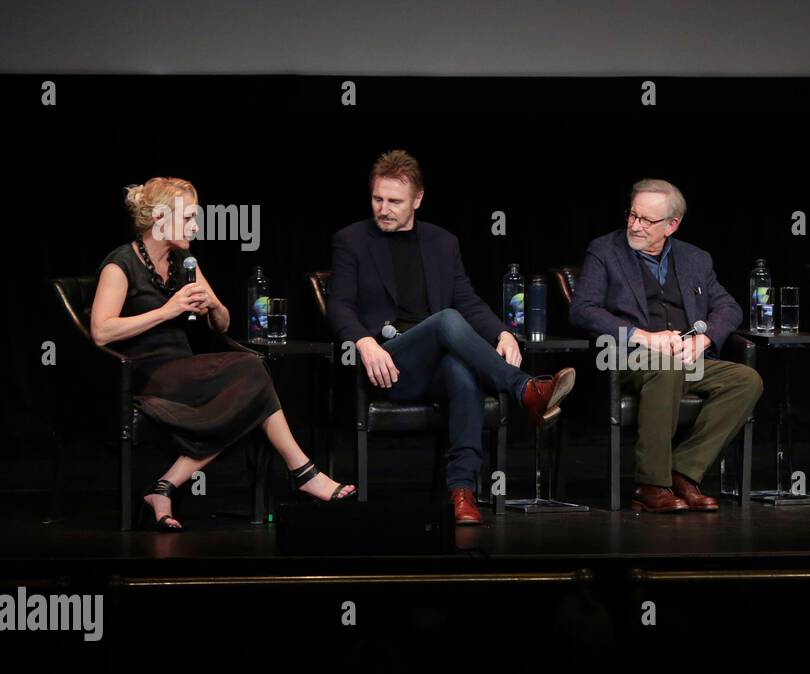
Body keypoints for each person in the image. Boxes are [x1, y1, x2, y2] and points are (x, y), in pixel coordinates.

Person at [91, 177, 355, 531]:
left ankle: (163, 487)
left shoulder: (183, 261)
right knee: (251, 374)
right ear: (158, 219)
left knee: (249, 384)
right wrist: (167, 311)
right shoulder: (120, 264)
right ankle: (305, 473)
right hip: (144, 374)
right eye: (187, 219)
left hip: (184, 371)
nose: (196, 227)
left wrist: (212, 304)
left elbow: (222, 324)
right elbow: (101, 330)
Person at [327, 150, 575, 525]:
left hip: (437, 367)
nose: (384, 208)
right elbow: (339, 306)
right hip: (390, 363)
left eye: (395, 201)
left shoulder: (442, 242)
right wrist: (364, 342)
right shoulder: (351, 240)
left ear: (418, 199)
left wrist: (503, 333)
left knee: (461, 368)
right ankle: (526, 391)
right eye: (378, 199)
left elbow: (468, 301)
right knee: (446, 321)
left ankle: (462, 492)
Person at [570, 178, 763, 513]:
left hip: (684, 358)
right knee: (665, 367)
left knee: (747, 380)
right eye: (632, 215)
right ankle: (650, 484)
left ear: (672, 225)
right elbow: (583, 310)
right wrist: (644, 337)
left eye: (647, 220)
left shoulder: (695, 259)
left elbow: (729, 307)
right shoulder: (605, 251)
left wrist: (703, 340)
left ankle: (684, 471)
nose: (635, 225)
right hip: (629, 358)